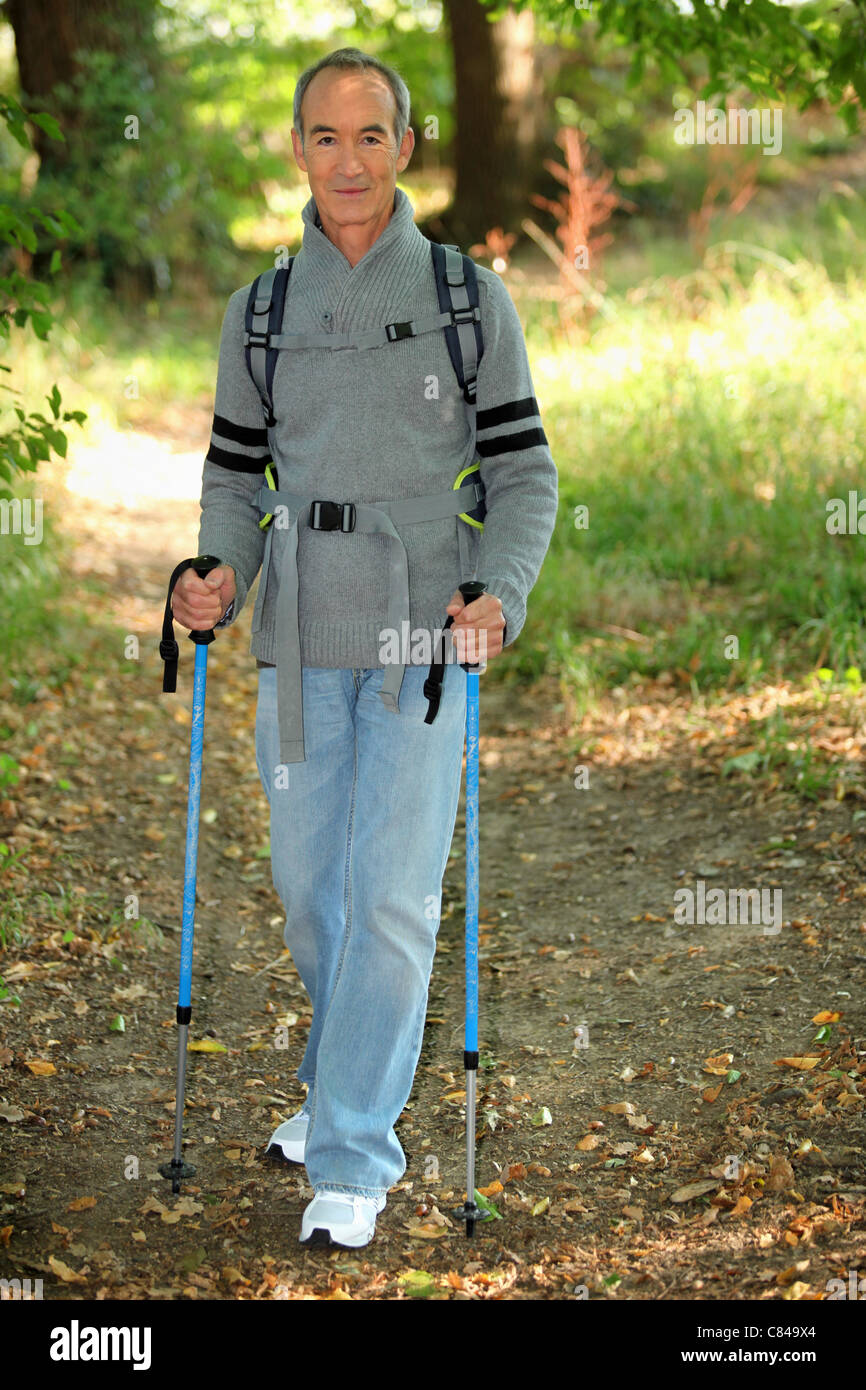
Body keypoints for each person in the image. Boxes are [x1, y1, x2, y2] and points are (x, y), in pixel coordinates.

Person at [170, 46, 558, 1249]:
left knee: (389, 897)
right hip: (296, 628)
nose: (348, 159)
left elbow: (523, 469)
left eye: (371, 135)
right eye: (325, 137)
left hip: (423, 630)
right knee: (309, 893)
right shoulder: (264, 306)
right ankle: (339, 1076)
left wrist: (496, 590)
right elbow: (236, 475)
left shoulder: (462, 294)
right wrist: (215, 572)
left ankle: (350, 1150)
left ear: (405, 146)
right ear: (298, 148)